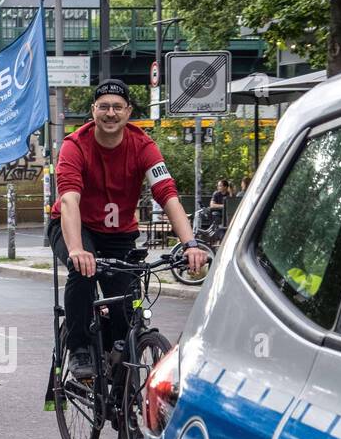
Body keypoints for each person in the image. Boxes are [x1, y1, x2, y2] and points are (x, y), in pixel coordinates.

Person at [50, 79, 204, 381]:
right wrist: (77, 250)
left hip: (120, 234)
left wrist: (190, 244)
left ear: (128, 112)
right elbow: (69, 200)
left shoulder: (143, 145)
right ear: (93, 110)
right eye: (104, 106)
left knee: (126, 311)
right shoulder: (75, 146)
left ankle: (120, 379)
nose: (110, 113)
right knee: (83, 271)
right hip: (76, 227)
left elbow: (167, 194)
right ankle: (80, 346)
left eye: (117, 107)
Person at [209, 178, 231, 245]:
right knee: (217, 218)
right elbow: (212, 205)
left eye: (220, 185)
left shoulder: (229, 194)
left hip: (228, 214)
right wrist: (223, 206)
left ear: (225, 187)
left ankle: (223, 240)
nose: (218, 187)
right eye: (218, 185)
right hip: (218, 214)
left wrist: (231, 192)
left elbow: (232, 205)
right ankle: (220, 239)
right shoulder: (216, 194)